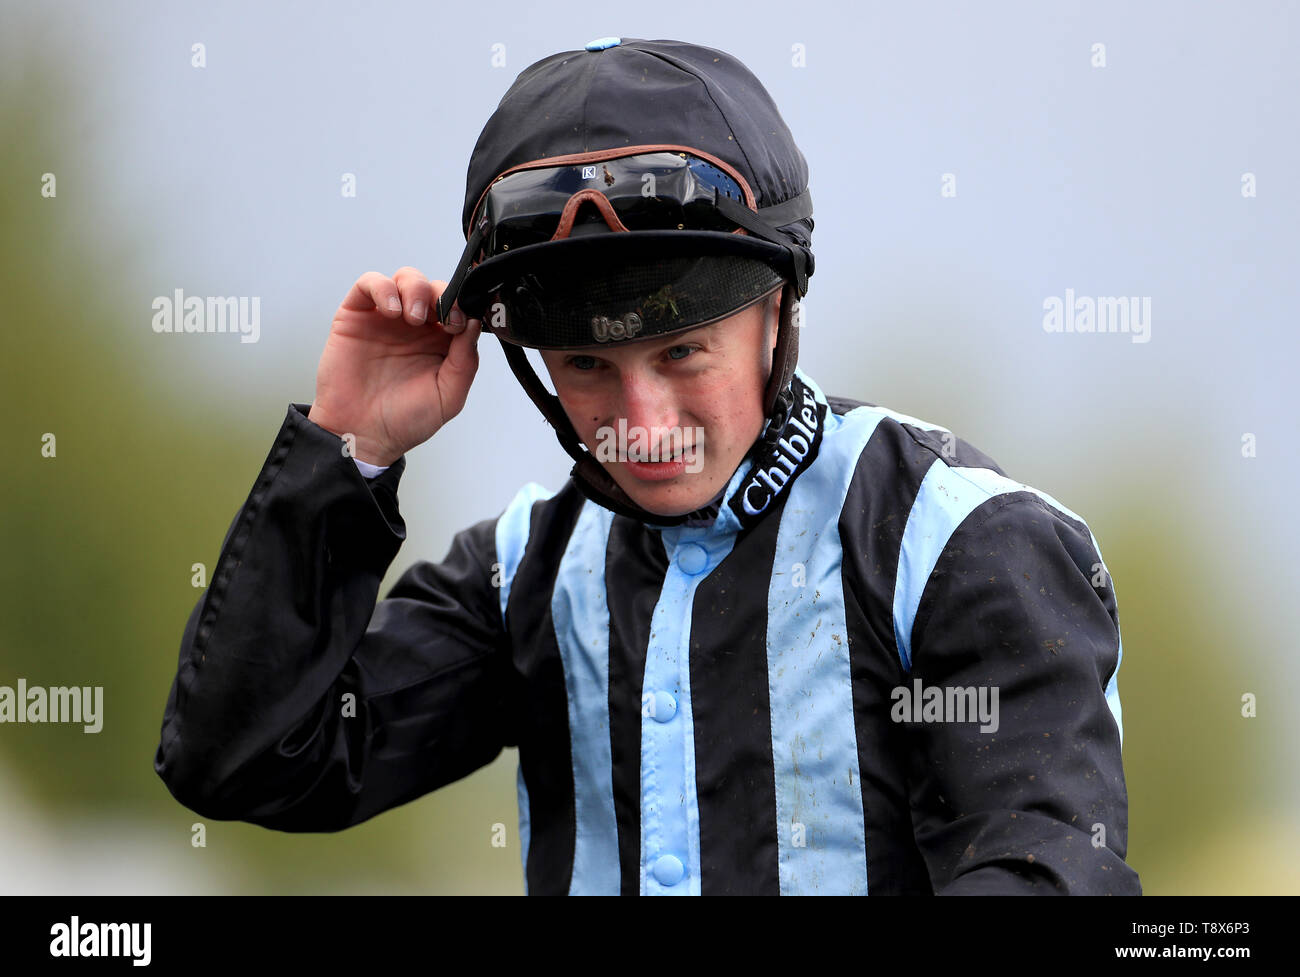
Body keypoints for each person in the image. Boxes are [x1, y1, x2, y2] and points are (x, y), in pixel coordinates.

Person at [153, 37, 1141, 895]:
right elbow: (246, 761)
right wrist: (347, 449)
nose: (639, 422)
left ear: (773, 315)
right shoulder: (524, 571)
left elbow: (1051, 866)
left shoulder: (968, 541)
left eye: (680, 355)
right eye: (585, 365)